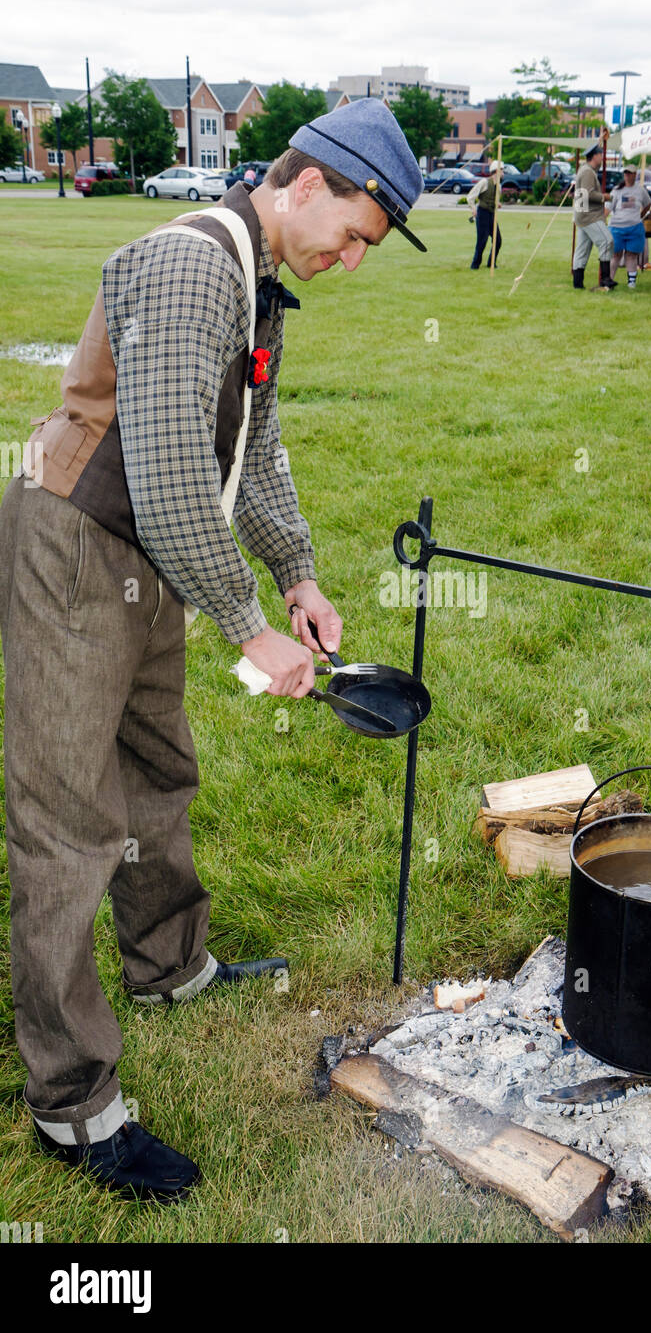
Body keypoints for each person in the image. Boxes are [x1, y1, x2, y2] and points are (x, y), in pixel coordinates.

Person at [0, 98, 425, 1202]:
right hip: (76, 548)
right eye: (353, 235)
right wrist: (249, 626)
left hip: (148, 556)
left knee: (157, 766)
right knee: (65, 819)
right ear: (309, 183)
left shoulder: (256, 279)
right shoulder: (193, 267)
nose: (349, 260)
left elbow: (255, 441)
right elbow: (175, 471)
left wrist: (297, 573)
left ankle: (168, 966)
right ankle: (73, 1103)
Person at [572, 142, 616, 290]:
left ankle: (578, 283)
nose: (602, 157)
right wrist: (606, 197)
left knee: (582, 250)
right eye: (601, 155)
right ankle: (605, 279)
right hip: (589, 216)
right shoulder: (587, 172)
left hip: (583, 215)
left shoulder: (585, 170)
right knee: (607, 241)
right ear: (595, 156)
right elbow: (588, 193)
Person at [607, 165, 651, 287]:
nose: (627, 175)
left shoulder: (640, 190)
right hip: (616, 227)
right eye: (625, 173)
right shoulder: (616, 190)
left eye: (630, 173)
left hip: (634, 227)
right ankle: (609, 280)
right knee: (615, 255)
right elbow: (608, 206)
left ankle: (631, 282)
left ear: (634, 175)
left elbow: (648, 203)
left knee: (631, 255)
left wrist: (640, 215)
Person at [467, 160, 503, 268]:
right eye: (501, 170)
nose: (503, 173)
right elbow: (470, 197)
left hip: (492, 215)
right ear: (496, 171)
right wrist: (473, 208)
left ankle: (491, 263)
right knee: (482, 241)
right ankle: (475, 264)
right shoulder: (484, 182)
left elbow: (495, 201)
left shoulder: (499, 186)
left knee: (498, 240)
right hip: (482, 214)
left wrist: (498, 204)